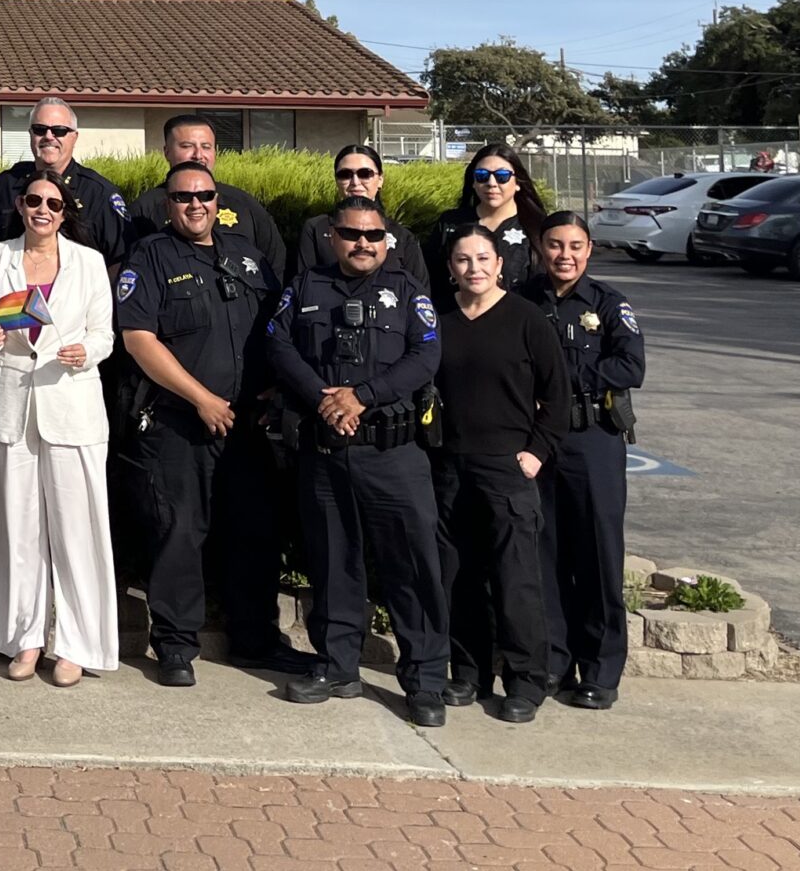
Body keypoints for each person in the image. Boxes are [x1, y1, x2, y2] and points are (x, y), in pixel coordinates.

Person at [266, 198, 451, 726]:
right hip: (326, 451)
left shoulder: (409, 292)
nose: (362, 243)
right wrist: (326, 399)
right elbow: (279, 346)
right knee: (331, 563)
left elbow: (426, 357)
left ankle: (424, 681)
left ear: (386, 239)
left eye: (373, 235)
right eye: (351, 234)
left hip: (392, 453)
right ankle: (337, 665)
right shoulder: (304, 287)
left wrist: (362, 396)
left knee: (413, 570)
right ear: (332, 237)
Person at [116, 161, 299, 686]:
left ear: (218, 199)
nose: (195, 205)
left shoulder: (249, 257)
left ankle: (255, 639)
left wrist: (278, 383)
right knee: (179, 532)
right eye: (182, 198)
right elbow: (138, 339)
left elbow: (278, 330)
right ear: (167, 204)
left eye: (204, 196)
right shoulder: (149, 257)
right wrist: (201, 399)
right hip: (180, 422)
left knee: (253, 532)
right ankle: (175, 645)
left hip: (247, 424)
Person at [0, 174, 119, 686]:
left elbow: (104, 334)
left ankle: (77, 643)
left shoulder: (89, 262)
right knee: (14, 529)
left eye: (54, 203)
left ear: (65, 211)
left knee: (79, 529)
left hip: (71, 403)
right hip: (9, 404)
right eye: (34, 200)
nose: (43, 209)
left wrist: (87, 351)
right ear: (20, 204)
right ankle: (22, 638)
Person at [432, 220, 568, 720]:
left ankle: (525, 681)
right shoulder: (440, 320)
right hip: (451, 467)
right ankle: (468, 674)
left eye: (483, 259)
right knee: (460, 577)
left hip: (508, 469)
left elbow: (557, 397)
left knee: (516, 580)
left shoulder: (526, 319)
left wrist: (537, 451)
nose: (474, 268)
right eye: (464, 260)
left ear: (499, 264)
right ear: (451, 267)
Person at [520, 210, 646, 711]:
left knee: (596, 553)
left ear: (588, 250)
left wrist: (561, 377)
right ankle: (553, 660)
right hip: (539, 441)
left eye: (574, 246)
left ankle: (600, 670)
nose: (564, 255)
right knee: (543, 551)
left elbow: (630, 366)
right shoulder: (524, 299)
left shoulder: (609, 303)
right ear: (541, 248)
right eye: (555, 245)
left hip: (592, 436)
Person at [0, 98, 134, 261]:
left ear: (74, 137)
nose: (48, 136)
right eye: (39, 129)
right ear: (30, 134)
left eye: (59, 130)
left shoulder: (99, 194)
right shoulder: (4, 185)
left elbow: (122, 260)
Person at [131, 115, 282, 258]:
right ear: (166, 152)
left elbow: (274, 261)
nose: (198, 154)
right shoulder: (144, 210)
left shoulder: (244, 204)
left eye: (206, 146)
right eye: (187, 146)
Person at [292, 146, 427, 284]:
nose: (355, 182)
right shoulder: (316, 229)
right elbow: (304, 287)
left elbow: (419, 293)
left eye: (365, 174)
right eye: (345, 175)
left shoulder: (402, 237)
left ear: (380, 179)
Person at [425, 143, 549, 290]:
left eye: (502, 176)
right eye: (482, 176)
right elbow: (431, 278)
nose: (491, 183)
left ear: (518, 183)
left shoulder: (538, 227)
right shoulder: (451, 223)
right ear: (473, 182)